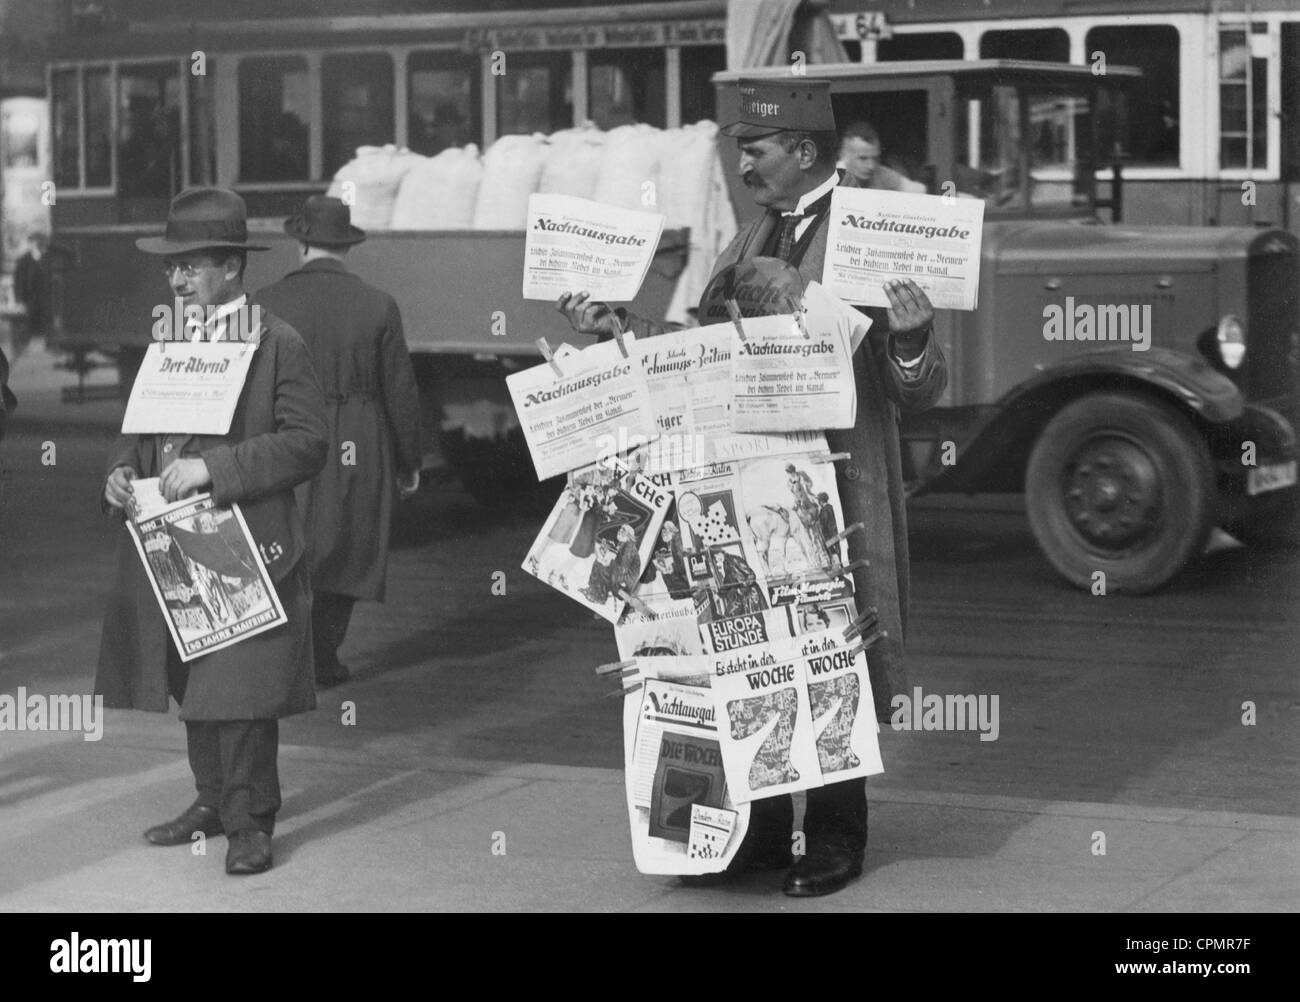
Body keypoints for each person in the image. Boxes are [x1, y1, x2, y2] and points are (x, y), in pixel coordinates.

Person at [557, 78, 948, 898]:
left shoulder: (872, 236)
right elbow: (699, 348)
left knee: (830, 643)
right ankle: (767, 831)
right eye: (741, 149)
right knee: (753, 648)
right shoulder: (746, 239)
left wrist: (911, 339)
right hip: (744, 478)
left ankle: (837, 836)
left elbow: (916, 392)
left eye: (755, 149)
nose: (742, 164)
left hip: (834, 485)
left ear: (805, 152)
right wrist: (623, 330)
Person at [96, 187, 328, 876]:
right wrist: (117, 471)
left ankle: (250, 819)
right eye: (173, 268)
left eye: (191, 266)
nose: (177, 279)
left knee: (243, 687)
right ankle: (210, 800)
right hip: (172, 544)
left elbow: (308, 442)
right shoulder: (168, 340)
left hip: (247, 544)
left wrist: (213, 467)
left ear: (231, 267)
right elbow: (137, 434)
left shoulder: (278, 342)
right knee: (194, 679)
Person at [254, 196, 422, 688]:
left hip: (288, 427)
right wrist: (408, 459)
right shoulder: (379, 303)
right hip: (360, 432)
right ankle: (324, 656)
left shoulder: (264, 302)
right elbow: (401, 391)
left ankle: (288, 655)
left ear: (300, 242)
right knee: (348, 544)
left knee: (287, 537)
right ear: (346, 246)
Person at [838, 121, 926, 194]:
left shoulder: (879, 173)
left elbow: (920, 189)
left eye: (875, 158)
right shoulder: (831, 180)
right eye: (863, 158)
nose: (871, 166)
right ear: (844, 156)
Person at [12, 231, 54, 356]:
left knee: (49, 319)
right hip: (30, 296)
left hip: (46, 296)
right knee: (26, 321)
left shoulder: (49, 258)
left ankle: (51, 344)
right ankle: (22, 345)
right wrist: (18, 299)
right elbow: (18, 280)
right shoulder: (24, 260)